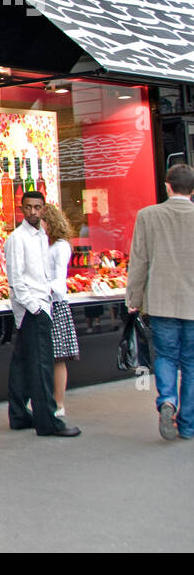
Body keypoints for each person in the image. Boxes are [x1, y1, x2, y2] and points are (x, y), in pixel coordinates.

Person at [126, 163, 194, 441]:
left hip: (161, 301)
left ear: (167, 186)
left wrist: (134, 297)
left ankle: (167, 400)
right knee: (191, 363)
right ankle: (188, 425)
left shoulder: (148, 215)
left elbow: (139, 260)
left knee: (165, 355)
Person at [4, 190, 80, 437]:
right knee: (41, 366)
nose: (33, 211)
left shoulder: (40, 236)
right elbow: (16, 278)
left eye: (37, 207)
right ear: (21, 208)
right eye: (28, 207)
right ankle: (48, 422)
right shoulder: (18, 238)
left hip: (39, 305)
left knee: (23, 364)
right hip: (33, 308)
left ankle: (18, 415)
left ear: (43, 209)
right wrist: (34, 306)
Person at [42, 202, 79, 417]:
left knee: (58, 356)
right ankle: (46, 398)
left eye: (43, 221)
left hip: (55, 303)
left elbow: (59, 279)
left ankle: (59, 402)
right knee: (47, 356)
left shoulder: (61, 246)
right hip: (44, 302)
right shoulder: (44, 244)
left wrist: (41, 288)